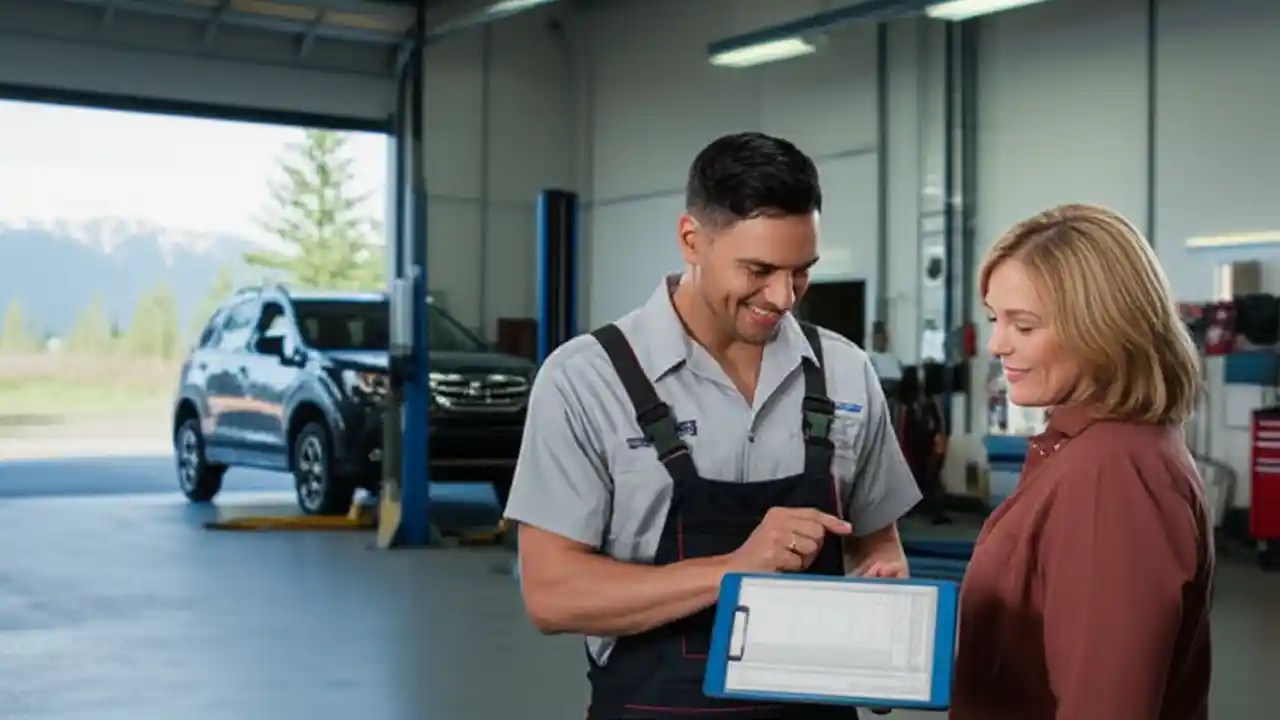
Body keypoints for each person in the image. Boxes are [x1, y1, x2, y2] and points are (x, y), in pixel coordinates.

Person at [503, 131, 923, 719]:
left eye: (801, 271)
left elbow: (875, 540)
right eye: (759, 269)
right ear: (691, 239)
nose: (783, 298)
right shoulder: (584, 381)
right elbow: (551, 594)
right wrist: (732, 571)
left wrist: (882, 612)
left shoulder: (847, 374)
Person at [951, 203, 1215, 720]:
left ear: (1103, 329)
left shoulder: (1112, 472)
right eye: (994, 319)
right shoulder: (1094, 447)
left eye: (1023, 326)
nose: (997, 344)